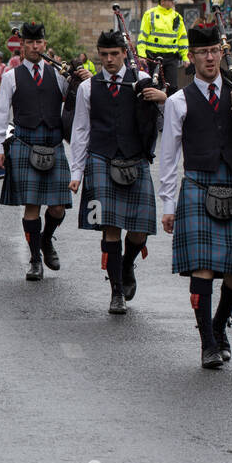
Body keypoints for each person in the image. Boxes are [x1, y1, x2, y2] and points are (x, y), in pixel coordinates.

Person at [159, 24, 232, 369]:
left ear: (221, 53)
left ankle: (219, 323)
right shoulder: (179, 102)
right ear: (191, 58)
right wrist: (168, 205)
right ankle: (208, 343)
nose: (209, 58)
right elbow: (168, 157)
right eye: (202, 52)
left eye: (214, 51)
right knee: (204, 269)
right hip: (198, 183)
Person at [68, 31, 166, 315]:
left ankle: (126, 265)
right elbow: (81, 130)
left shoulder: (141, 83)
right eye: (104, 55)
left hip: (135, 158)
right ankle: (116, 292)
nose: (109, 60)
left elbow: (165, 122)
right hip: (101, 157)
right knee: (110, 227)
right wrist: (77, 171)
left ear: (125, 53)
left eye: (114, 54)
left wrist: (162, 98)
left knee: (139, 231)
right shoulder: (89, 87)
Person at [0, 21, 73, 282]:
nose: (35, 47)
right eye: (30, 43)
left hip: (52, 142)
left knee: (58, 207)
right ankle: (35, 259)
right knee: (32, 207)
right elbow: (2, 113)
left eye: (39, 42)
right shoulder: (11, 77)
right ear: (22, 46)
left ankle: (46, 240)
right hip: (25, 142)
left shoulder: (59, 75)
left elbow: (74, 103)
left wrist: (76, 78)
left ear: (44, 45)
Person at [136, 0, 188, 91]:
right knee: (155, 86)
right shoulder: (150, 15)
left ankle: (169, 106)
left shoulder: (177, 17)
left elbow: (182, 39)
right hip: (154, 57)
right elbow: (142, 36)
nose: (173, 2)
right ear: (163, 1)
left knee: (172, 87)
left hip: (171, 58)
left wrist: (185, 57)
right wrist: (142, 55)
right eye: (170, 0)